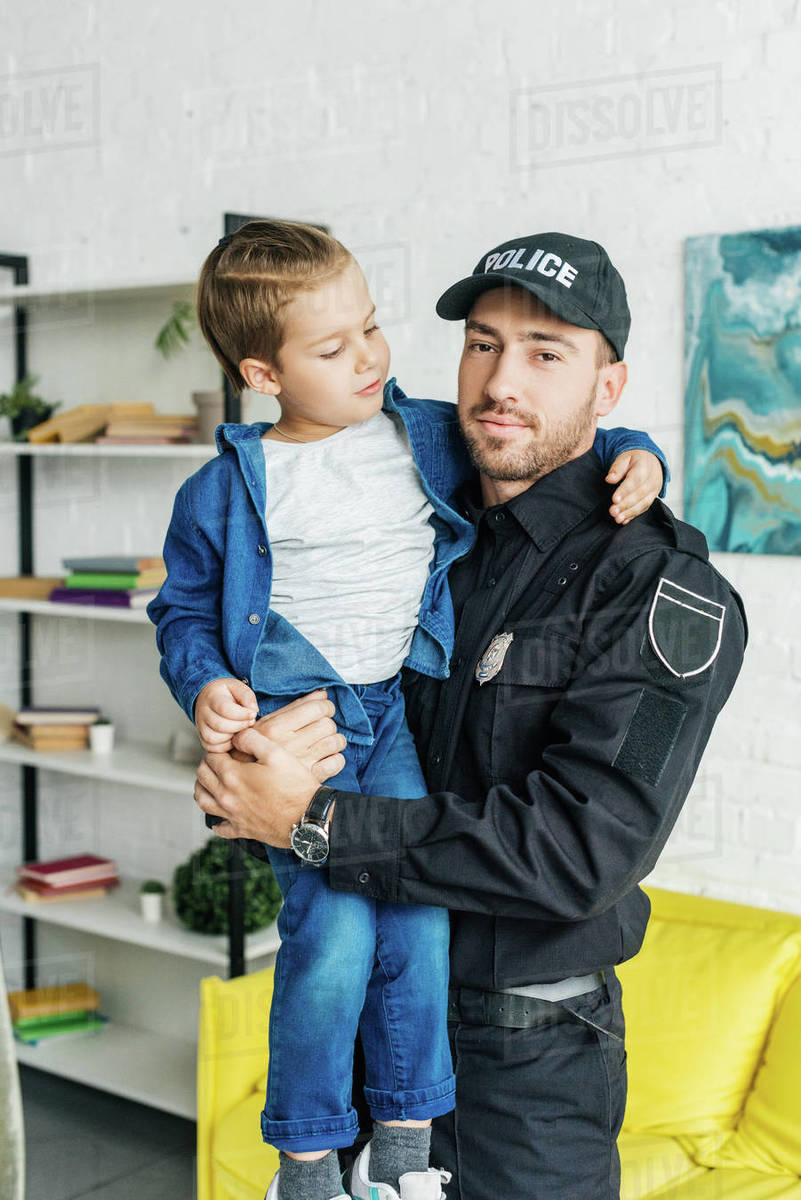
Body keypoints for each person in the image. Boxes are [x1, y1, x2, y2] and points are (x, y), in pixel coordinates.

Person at [152, 220, 669, 1200]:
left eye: (373, 330)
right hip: (319, 798)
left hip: (519, 1041)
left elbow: (581, 847)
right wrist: (220, 713)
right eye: (482, 343)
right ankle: (309, 1155)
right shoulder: (281, 495)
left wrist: (640, 452)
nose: (499, 379)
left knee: (400, 932)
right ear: (265, 374)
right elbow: (195, 614)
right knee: (336, 943)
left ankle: (391, 1142)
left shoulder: (442, 452)